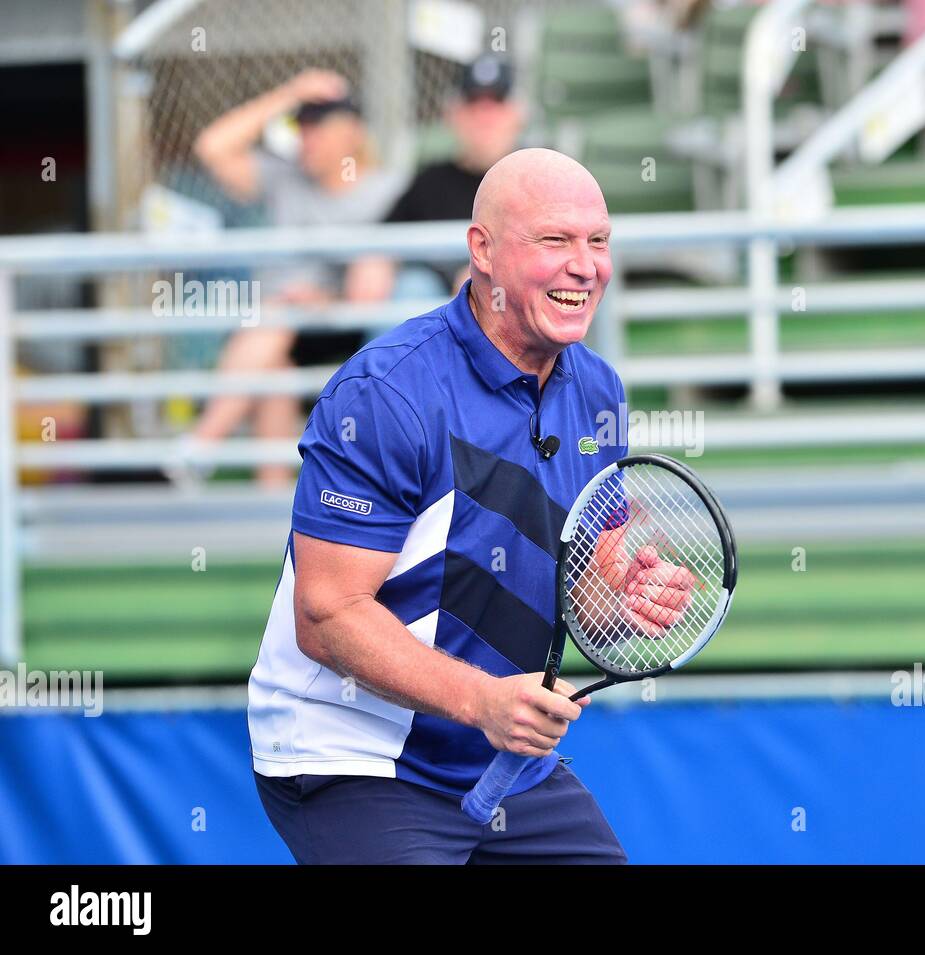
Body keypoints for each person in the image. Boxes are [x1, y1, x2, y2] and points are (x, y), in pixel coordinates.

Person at [247, 148, 694, 864]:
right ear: (482, 251)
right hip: (353, 756)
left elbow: (585, 587)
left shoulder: (599, 390)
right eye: (555, 240)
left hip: (503, 760)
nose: (585, 266)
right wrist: (483, 702)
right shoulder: (385, 393)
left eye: (598, 240)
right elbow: (326, 616)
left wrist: (623, 599)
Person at [182, 70, 406, 486]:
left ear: (352, 133)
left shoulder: (386, 189)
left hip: (345, 325)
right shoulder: (285, 177)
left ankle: (199, 448)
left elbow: (384, 276)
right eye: (301, 127)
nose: (307, 138)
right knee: (275, 364)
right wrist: (288, 93)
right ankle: (270, 493)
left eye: (318, 127)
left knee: (274, 323)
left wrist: (328, 301)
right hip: (278, 326)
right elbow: (212, 147)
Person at [347, 53, 525, 303]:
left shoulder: (535, 178)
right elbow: (383, 238)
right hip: (433, 303)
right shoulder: (431, 182)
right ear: (454, 114)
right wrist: (376, 262)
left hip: (510, 307)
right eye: (473, 104)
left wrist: (486, 271)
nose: (485, 118)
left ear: (516, 115)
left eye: (496, 104)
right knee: (411, 287)